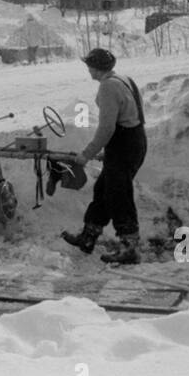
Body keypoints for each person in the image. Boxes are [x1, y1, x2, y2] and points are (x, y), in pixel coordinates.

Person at [62, 47, 146, 264]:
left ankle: (129, 247)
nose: (88, 70)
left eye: (89, 66)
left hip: (124, 144)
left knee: (119, 194)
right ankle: (88, 236)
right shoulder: (124, 79)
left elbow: (107, 127)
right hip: (134, 140)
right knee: (103, 189)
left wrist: (87, 154)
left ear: (96, 67)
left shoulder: (108, 86)